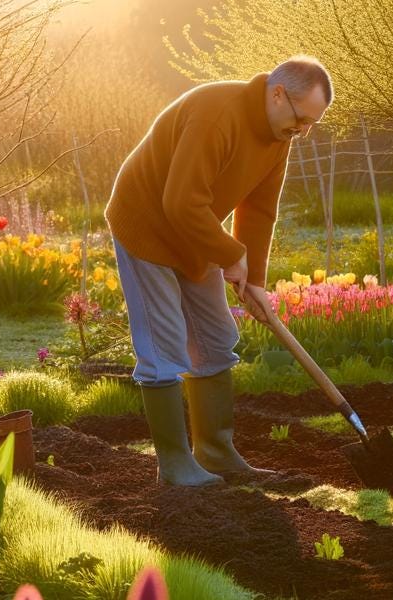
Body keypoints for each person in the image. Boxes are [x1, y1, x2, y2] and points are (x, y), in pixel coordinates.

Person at [106, 56, 332, 485]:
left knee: (215, 338)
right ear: (277, 94)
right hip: (148, 227)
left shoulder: (279, 135)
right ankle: (174, 465)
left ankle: (214, 452)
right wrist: (230, 254)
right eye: (301, 119)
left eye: (311, 125)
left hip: (194, 231)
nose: (303, 132)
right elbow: (179, 201)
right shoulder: (217, 114)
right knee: (164, 345)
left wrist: (256, 282)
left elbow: (261, 209)